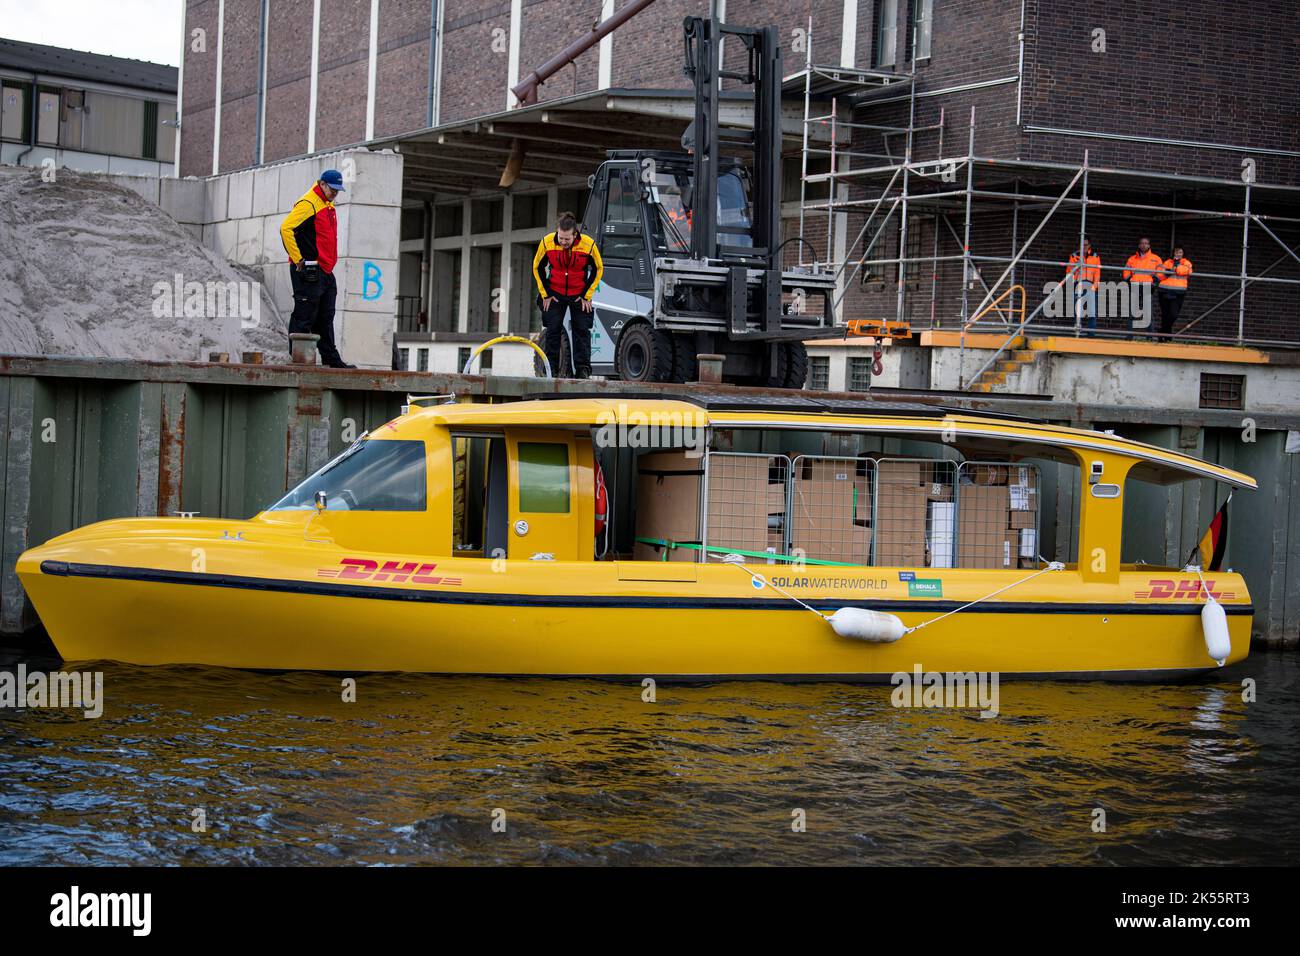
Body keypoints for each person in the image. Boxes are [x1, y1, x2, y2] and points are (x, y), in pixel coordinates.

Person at [280, 168, 354, 368]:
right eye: (332, 189)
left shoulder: (325, 204)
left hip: (325, 270)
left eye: (338, 190)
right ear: (322, 184)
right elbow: (286, 229)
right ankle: (299, 359)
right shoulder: (309, 203)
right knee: (305, 313)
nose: (335, 193)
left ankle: (331, 359)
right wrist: (299, 261)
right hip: (308, 269)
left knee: (326, 315)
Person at [531, 211, 603, 378]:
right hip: (554, 293)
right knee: (553, 331)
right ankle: (552, 371)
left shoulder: (588, 244)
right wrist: (545, 294)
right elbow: (537, 267)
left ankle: (583, 370)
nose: (563, 242)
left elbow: (598, 269)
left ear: (575, 234)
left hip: (579, 294)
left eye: (567, 239)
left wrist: (587, 295)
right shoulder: (547, 242)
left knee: (582, 331)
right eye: (560, 238)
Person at [1122, 237, 1163, 339]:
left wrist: (1155, 280)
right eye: (1142, 243)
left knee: (1148, 313)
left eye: (1146, 243)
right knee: (1132, 312)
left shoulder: (1156, 258)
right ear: (1139, 245)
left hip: (1148, 287)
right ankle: (1129, 336)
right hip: (1135, 286)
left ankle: (1149, 337)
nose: (1144, 245)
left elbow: (1161, 272)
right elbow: (1126, 271)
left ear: (1149, 245)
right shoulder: (1132, 258)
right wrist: (1129, 279)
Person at [1065, 237, 1101, 336]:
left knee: (1092, 312)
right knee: (1077, 312)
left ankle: (1091, 335)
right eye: (1082, 245)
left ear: (1089, 245)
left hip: (1090, 285)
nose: (1084, 247)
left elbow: (1097, 274)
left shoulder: (1095, 256)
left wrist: (1094, 287)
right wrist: (1075, 267)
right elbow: (1068, 272)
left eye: (1086, 245)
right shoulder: (1074, 256)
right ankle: (1077, 334)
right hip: (1078, 285)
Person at [1157, 246, 1193, 337]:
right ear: (1173, 253)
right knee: (1165, 315)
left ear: (1183, 254)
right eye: (1176, 252)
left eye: (1180, 252)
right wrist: (1168, 271)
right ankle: (1165, 337)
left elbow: (1186, 271)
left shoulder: (1186, 263)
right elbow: (1160, 274)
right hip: (1164, 290)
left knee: (1173, 315)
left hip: (1178, 292)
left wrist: (1175, 267)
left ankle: (1163, 331)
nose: (1178, 254)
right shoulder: (1167, 262)